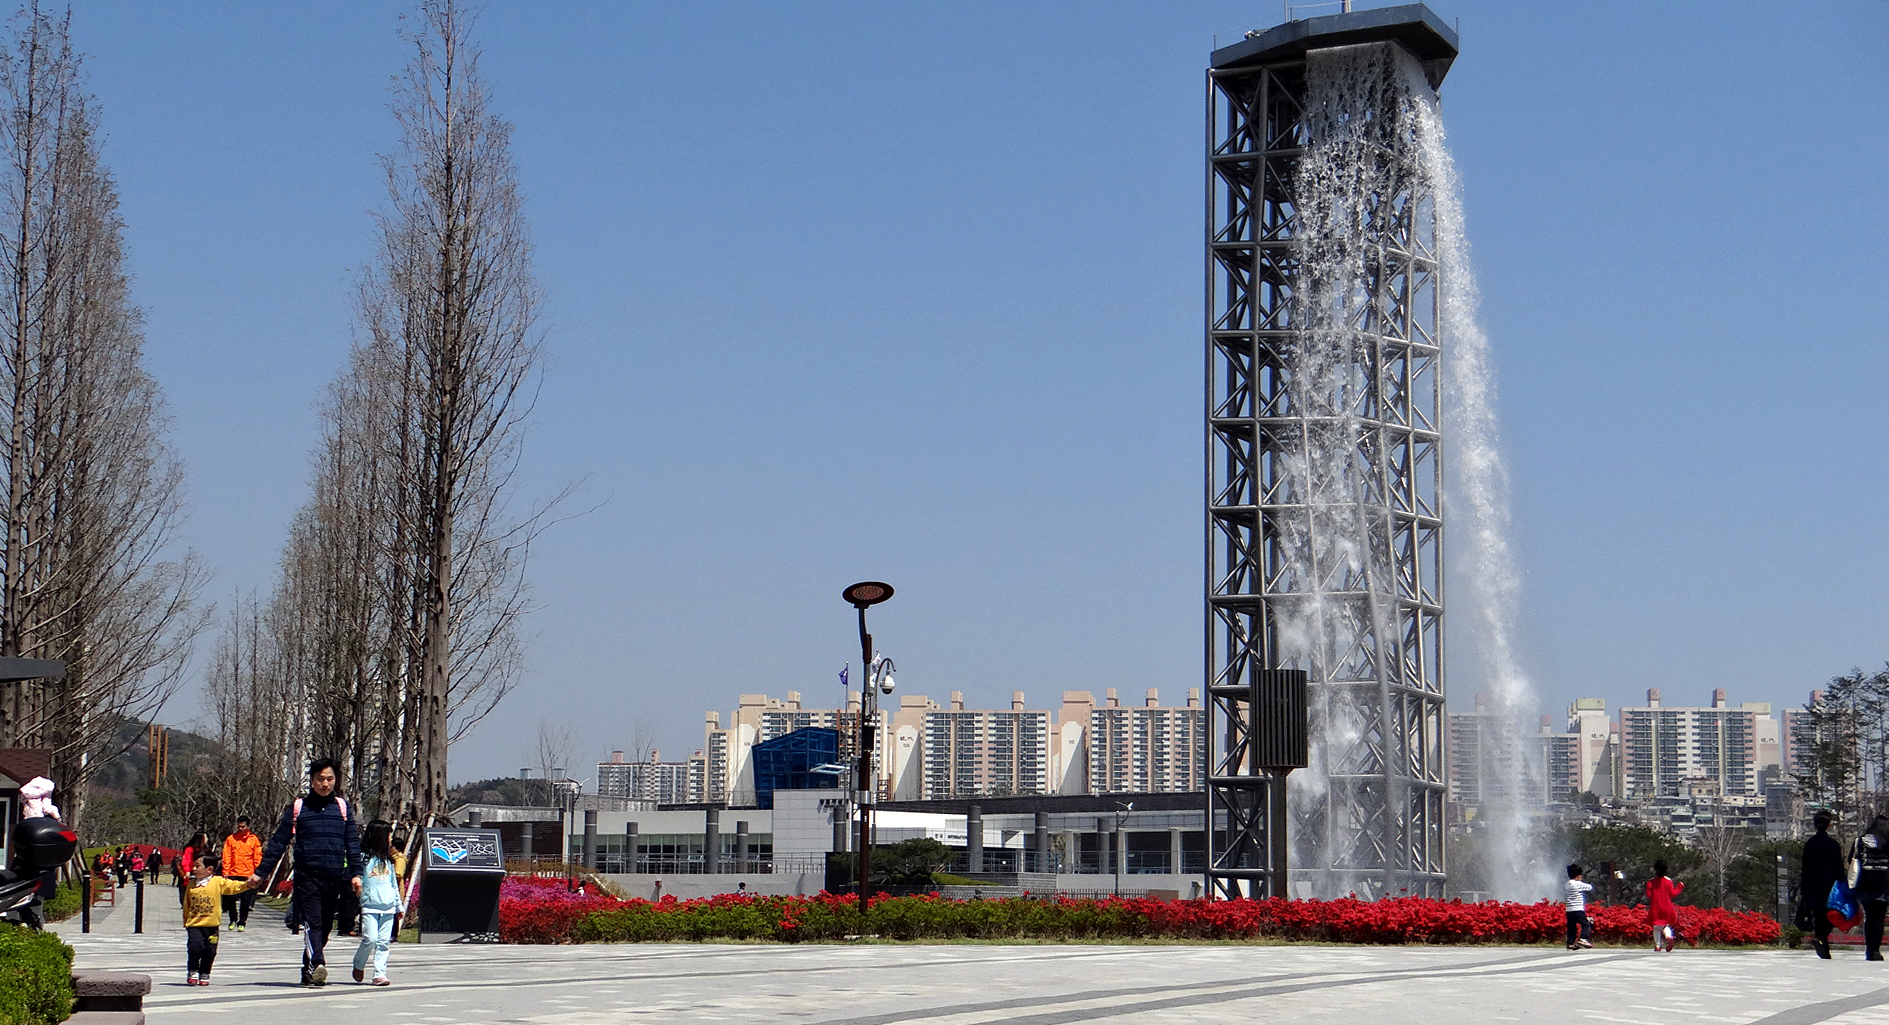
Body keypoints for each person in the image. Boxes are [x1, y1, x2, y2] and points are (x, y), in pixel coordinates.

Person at [252, 759, 363, 988]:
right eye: (320, 779)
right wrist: (261, 873)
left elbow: (352, 843)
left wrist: (356, 873)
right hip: (307, 876)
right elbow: (278, 842)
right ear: (312, 781)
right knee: (312, 923)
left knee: (324, 927)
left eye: (329, 779)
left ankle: (309, 969)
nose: (325, 784)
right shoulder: (299, 807)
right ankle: (318, 963)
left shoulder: (342, 808)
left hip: (334, 875)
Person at [182, 853, 255, 986]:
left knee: (210, 951)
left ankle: (205, 972)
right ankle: (192, 970)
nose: (194, 869)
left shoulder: (217, 882)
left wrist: (246, 885)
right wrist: (185, 919)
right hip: (194, 924)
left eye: (197, 866)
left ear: (209, 869)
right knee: (195, 947)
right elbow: (187, 903)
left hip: (212, 926)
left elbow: (232, 886)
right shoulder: (191, 884)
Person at [352, 820, 403, 986]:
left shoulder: (388, 860)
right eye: (388, 834)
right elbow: (357, 877)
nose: (390, 838)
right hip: (369, 905)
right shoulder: (363, 859)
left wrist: (398, 906)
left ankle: (380, 974)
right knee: (370, 938)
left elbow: (393, 885)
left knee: (383, 942)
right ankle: (359, 964)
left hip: (388, 907)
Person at [1802, 810, 1846, 959]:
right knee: (1830, 917)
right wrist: (1843, 882)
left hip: (1811, 886)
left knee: (1818, 917)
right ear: (1829, 825)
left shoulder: (1810, 844)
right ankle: (1821, 939)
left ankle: (1823, 946)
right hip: (1829, 886)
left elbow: (1805, 867)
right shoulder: (1833, 844)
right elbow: (1839, 868)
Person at [1853, 813, 1889, 961]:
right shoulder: (1888, 841)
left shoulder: (1861, 841)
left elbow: (1853, 858)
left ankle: (1869, 950)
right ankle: (1876, 950)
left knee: (1870, 917)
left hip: (1865, 883)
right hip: (1884, 883)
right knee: (1879, 917)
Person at [221, 816, 263, 931]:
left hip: (248, 874)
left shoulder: (253, 840)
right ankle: (232, 919)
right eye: (239, 826)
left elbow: (257, 857)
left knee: (245, 900)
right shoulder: (231, 839)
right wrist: (226, 871)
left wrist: (257, 872)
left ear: (248, 826)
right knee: (231, 898)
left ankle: (242, 922)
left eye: (243, 826)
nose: (241, 829)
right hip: (233, 873)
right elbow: (227, 855)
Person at [1645, 859, 1685, 952]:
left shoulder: (1651, 882)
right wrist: (1679, 887)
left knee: (1656, 927)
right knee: (1665, 926)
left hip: (1655, 907)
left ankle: (1658, 945)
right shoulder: (1668, 881)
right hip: (1667, 907)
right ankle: (1668, 936)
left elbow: (1649, 895)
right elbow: (1672, 893)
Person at [1564, 863, 1594, 950]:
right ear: (1578, 876)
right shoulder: (1577, 884)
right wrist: (1580, 881)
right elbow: (1590, 887)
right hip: (1578, 909)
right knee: (1586, 924)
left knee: (1572, 927)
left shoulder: (1566, 884)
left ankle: (1570, 943)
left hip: (1569, 909)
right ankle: (1583, 938)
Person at [178, 833, 211, 907]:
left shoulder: (206, 849)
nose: (206, 840)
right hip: (190, 874)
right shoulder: (190, 849)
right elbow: (186, 861)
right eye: (204, 838)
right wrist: (187, 871)